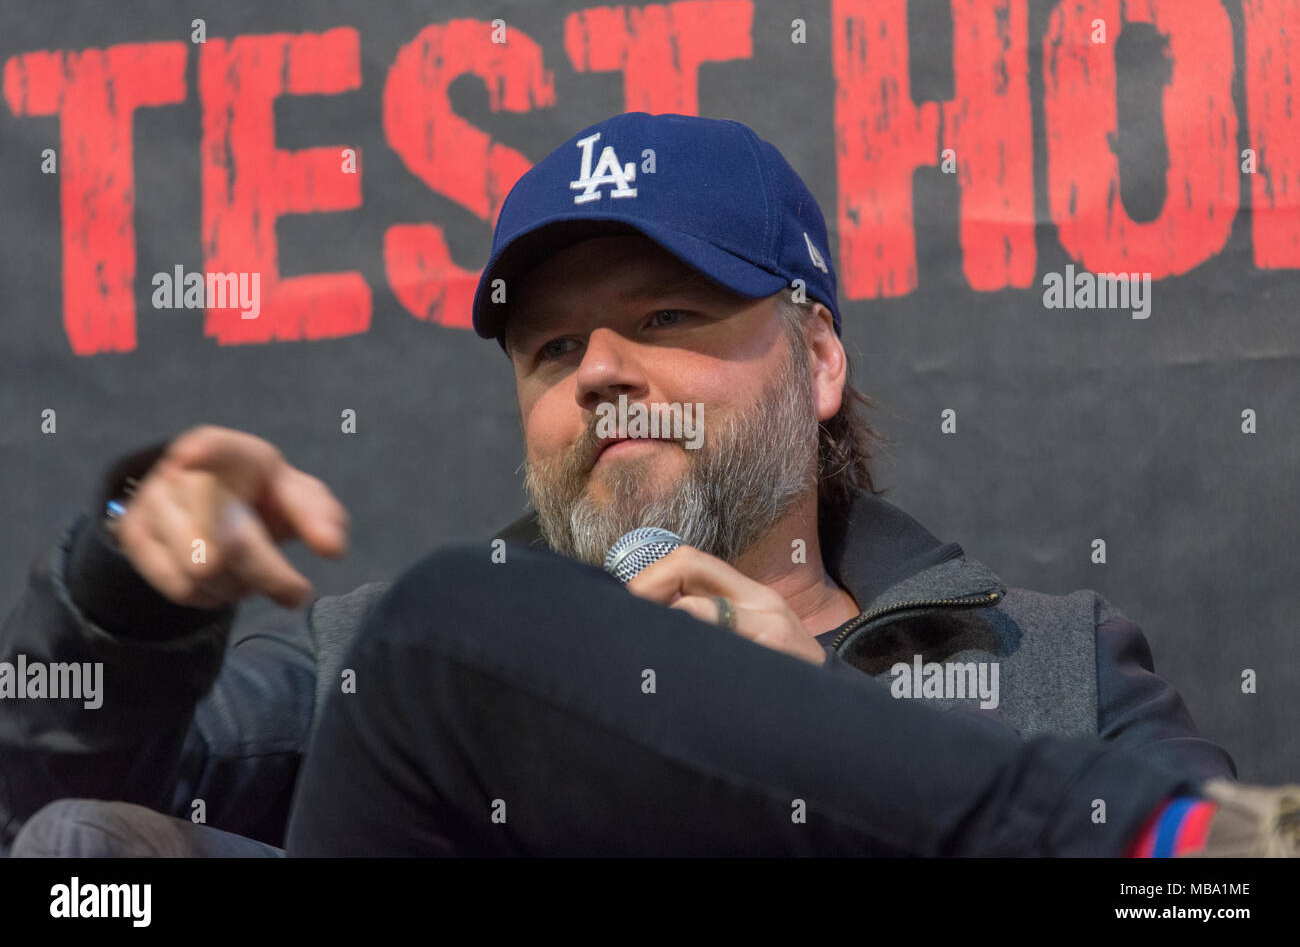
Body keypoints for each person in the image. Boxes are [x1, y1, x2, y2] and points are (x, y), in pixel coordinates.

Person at [2, 113, 1294, 857]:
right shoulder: (382, 668)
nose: (603, 372)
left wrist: (806, 729)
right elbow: (53, 805)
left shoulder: (1040, 662)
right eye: (554, 349)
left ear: (821, 357)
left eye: (667, 315)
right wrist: (124, 596)